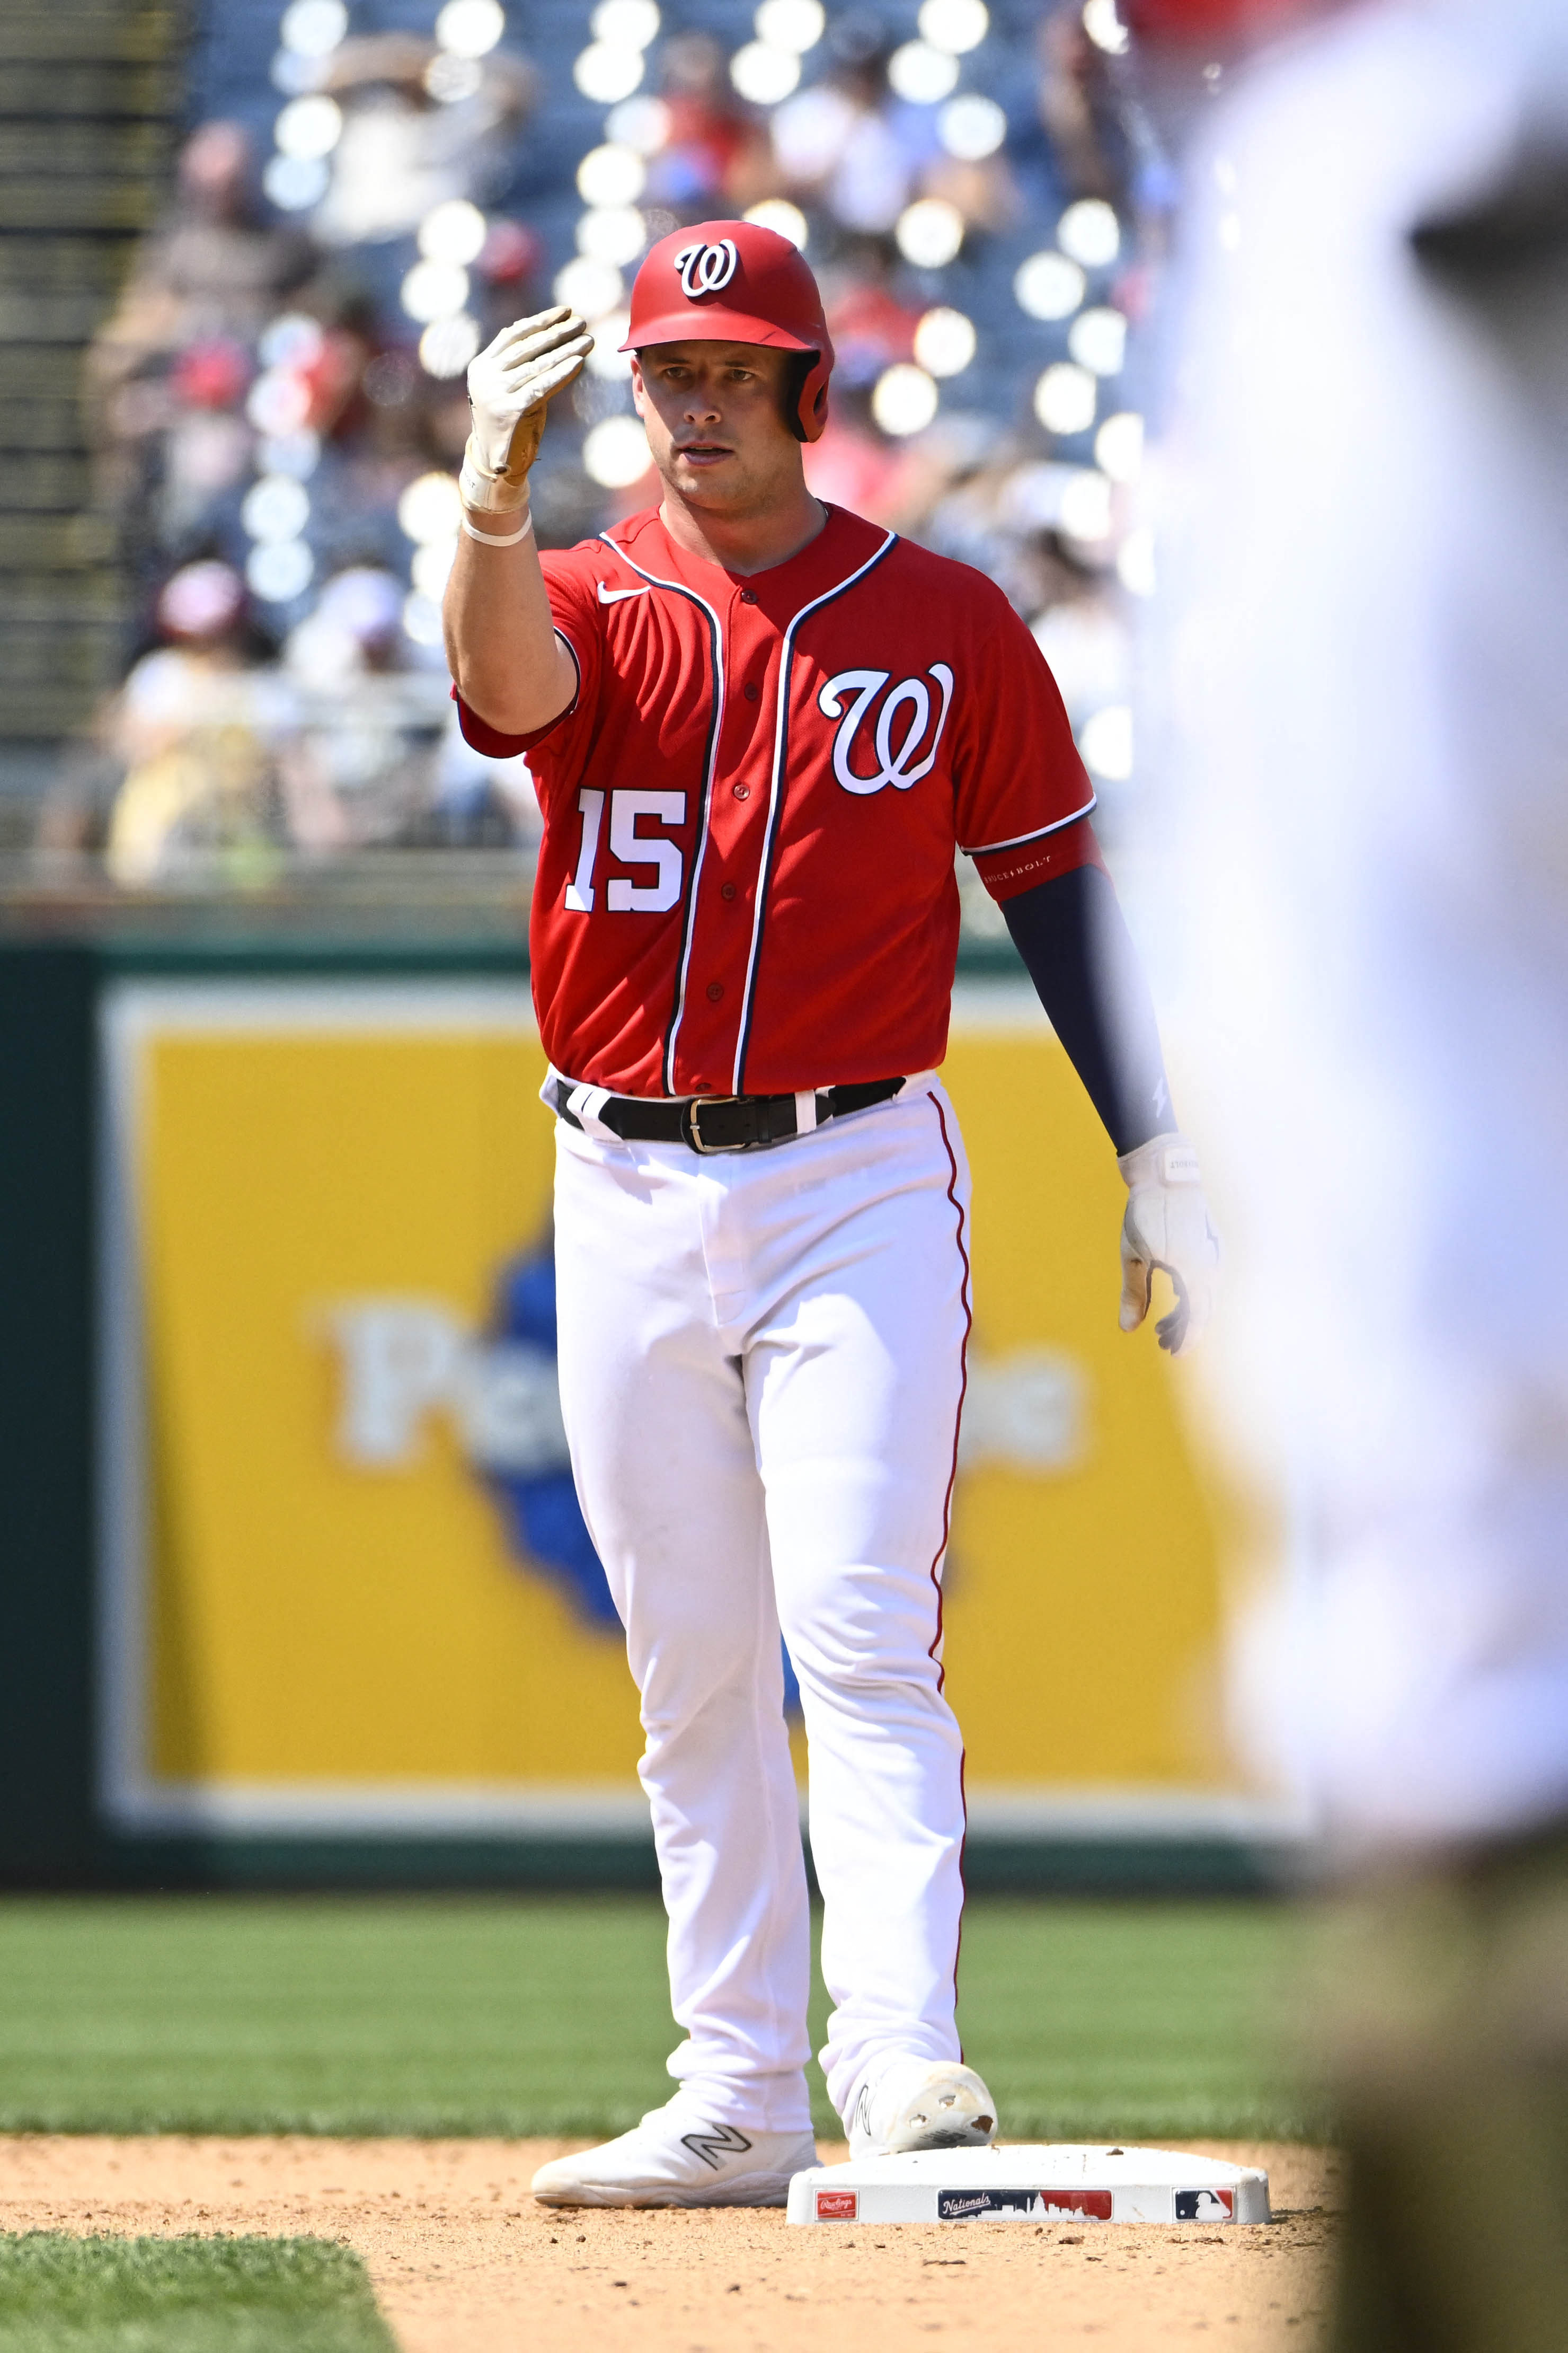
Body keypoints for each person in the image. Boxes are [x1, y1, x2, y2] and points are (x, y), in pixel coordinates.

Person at [442, 219, 1218, 2208]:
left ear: (809, 394)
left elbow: (1052, 888)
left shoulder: (945, 622)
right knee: (690, 1659)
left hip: (855, 1165)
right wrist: (491, 498)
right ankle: (733, 2087)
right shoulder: (595, 594)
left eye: (732, 373)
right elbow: (503, 691)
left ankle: (899, 2056)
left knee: (859, 1630)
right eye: (670, 375)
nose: (696, 406)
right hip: (615, 1166)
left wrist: (1152, 1143)